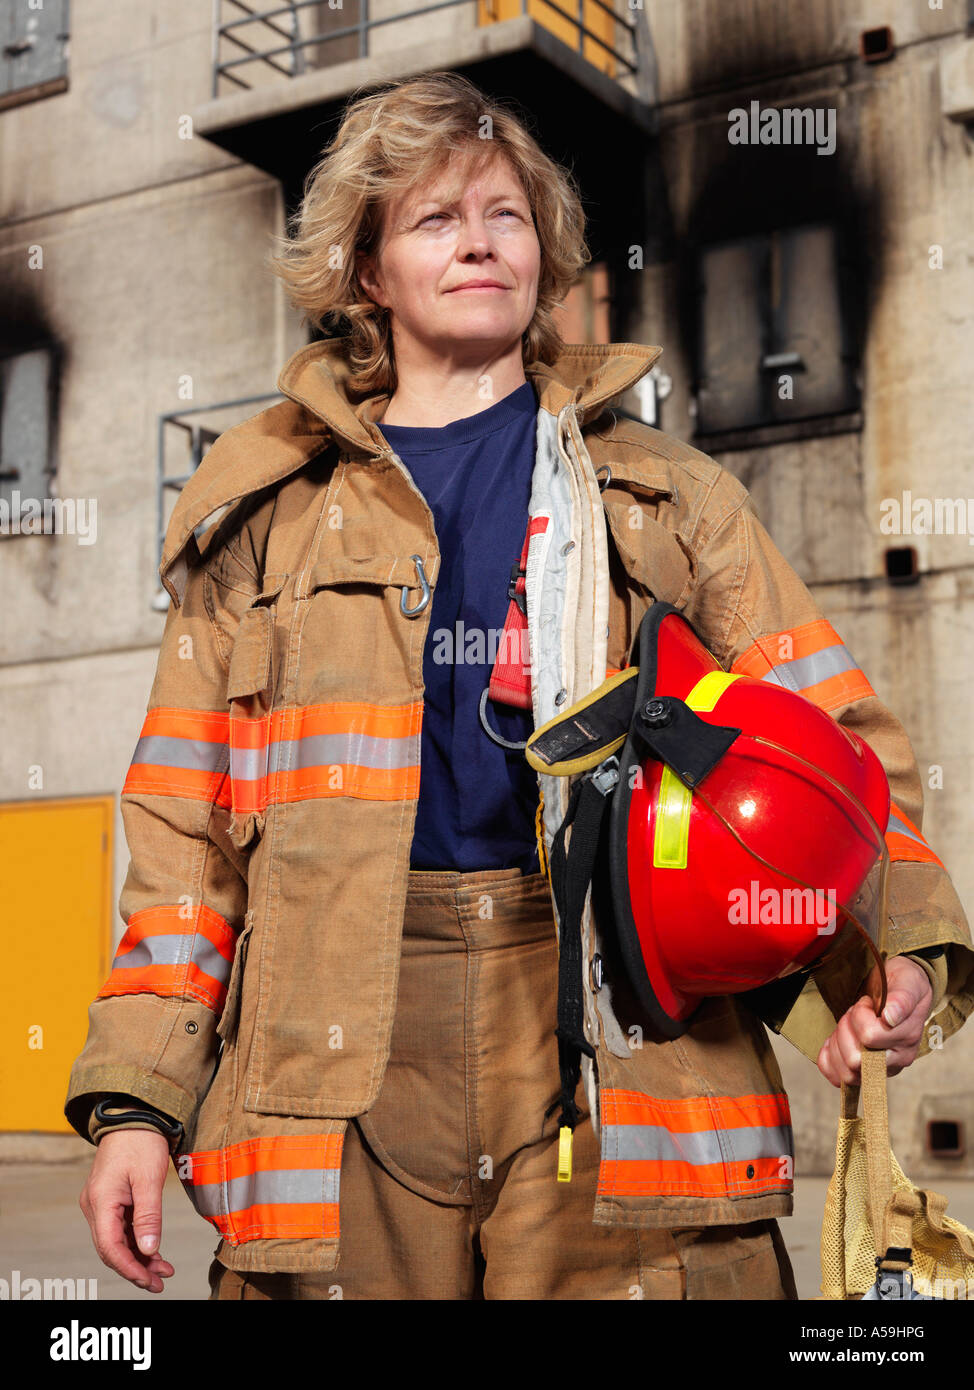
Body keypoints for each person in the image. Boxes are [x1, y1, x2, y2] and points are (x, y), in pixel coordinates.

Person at [67, 71, 974, 1301]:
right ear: (367, 269)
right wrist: (138, 1099)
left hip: (619, 1028)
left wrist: (897, 948)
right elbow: (184, 839)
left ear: (542, 253)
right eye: (434, 219)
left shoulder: (669, 498)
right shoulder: (264, 519)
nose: (478, 239)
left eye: (504, 213)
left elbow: (831, 744)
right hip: (340, 1040)